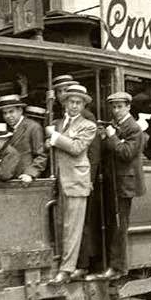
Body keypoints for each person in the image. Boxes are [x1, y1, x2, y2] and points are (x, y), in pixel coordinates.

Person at [45, 82, 97, 285]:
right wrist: (50, 139)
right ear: (65, 103)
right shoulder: (58, 123)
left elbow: (76, 148)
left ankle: (66, 270)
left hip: (76, 182)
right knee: (59, 226)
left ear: (83, 105)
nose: (74, 105)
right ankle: (62, 266)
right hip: (58, 181)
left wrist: (55, 138)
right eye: (71, 102)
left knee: (72, 229)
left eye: (78, 102)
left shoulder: (88, 125)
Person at [93, 91, 146, 280]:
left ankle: (118, 268)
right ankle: (108, 263)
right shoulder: (115, 126)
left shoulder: (133, 128)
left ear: (128, 107)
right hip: (112, 181)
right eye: (114, 107)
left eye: (120, 107)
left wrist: (112, 137)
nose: (116, 111)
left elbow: (126, 153)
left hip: (124, 183)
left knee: (119, 226)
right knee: (110, 223)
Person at [0, 93, 47, 182]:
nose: (8, 116)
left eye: (11, 111)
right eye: (5, 113)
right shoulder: (5, 129)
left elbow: (41, 155)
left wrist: (30, 173)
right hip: (5, 180)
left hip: (25, 180)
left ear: (20, 110)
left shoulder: (33, 127)